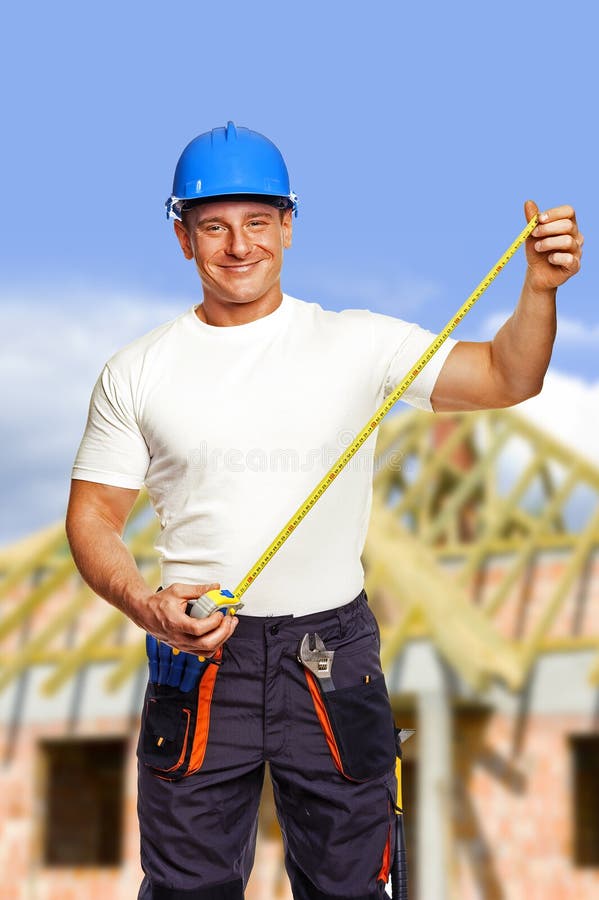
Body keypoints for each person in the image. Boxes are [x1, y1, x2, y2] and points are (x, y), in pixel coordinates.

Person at [66, 121, 583, 900]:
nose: (238, 245)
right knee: (186, 890)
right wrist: (145, 604)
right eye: (214, 226)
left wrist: (537, 291)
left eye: (257, 222)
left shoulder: (356, 346)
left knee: (350, 886)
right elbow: (93, 517)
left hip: (330, 653)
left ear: (288, 227)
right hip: (199, 662)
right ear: (182, 237)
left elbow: (508, 377)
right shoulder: (137, 372)